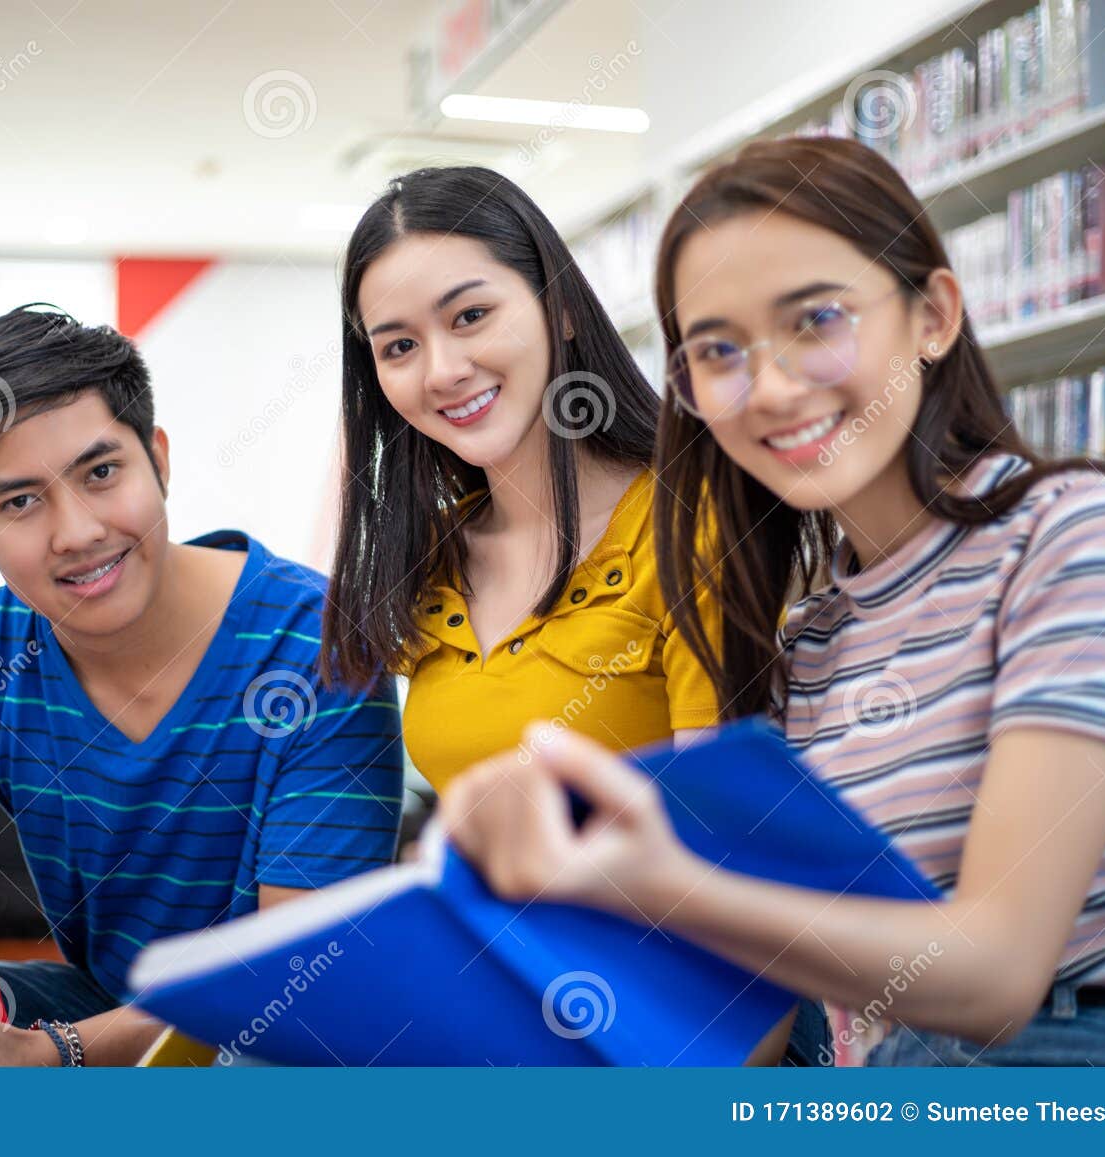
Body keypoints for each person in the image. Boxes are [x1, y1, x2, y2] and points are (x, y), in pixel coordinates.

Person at [442, 136, 1105, 1066]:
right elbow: (810, 989)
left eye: (816, 319)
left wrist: (657, 885)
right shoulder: (814, 639)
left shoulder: (1079, 537)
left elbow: (999, 973)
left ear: (933, 315)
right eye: (718, 351)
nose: (770, 387)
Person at [320, 165, 820, 1065]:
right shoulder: (426, 562)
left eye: (470, 316)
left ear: (557, 309)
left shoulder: (689, 525)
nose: (441, 370)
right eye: (396, 346)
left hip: (679, 1025)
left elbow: (746, 862)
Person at [0, 304, 404, 1065]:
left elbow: (297, 979)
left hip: (291, 1034)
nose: (78, 531)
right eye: (20, 501)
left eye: (101, 472)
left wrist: (60, 1053)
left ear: (159, 458)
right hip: (109, 1010)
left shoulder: (317, 643)